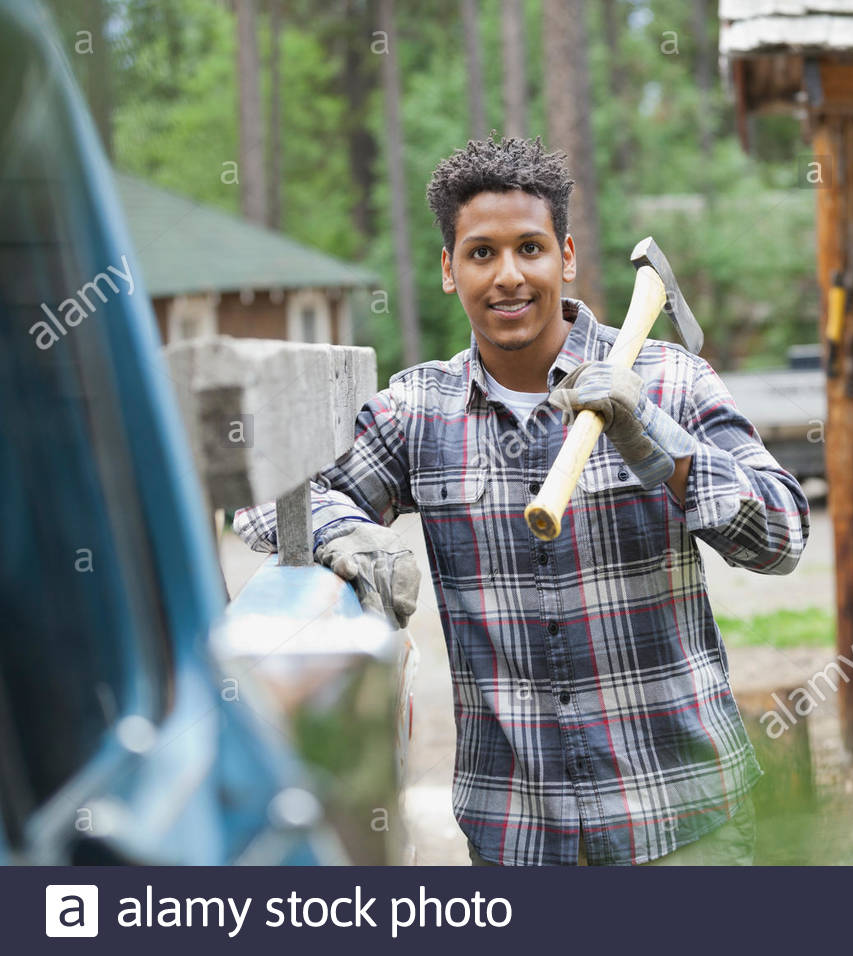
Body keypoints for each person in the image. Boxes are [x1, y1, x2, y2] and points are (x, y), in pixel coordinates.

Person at [234, 135, 810, 866]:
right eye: (481, 253)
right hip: (516, 838)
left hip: (682, 823)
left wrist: (653, 439)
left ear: (565, 256)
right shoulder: (421, 410)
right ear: (449, 270)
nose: (509, 276)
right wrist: (345, 535)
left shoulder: (672, 382)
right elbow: (268, 496)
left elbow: (782, 538)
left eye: (530, 248)